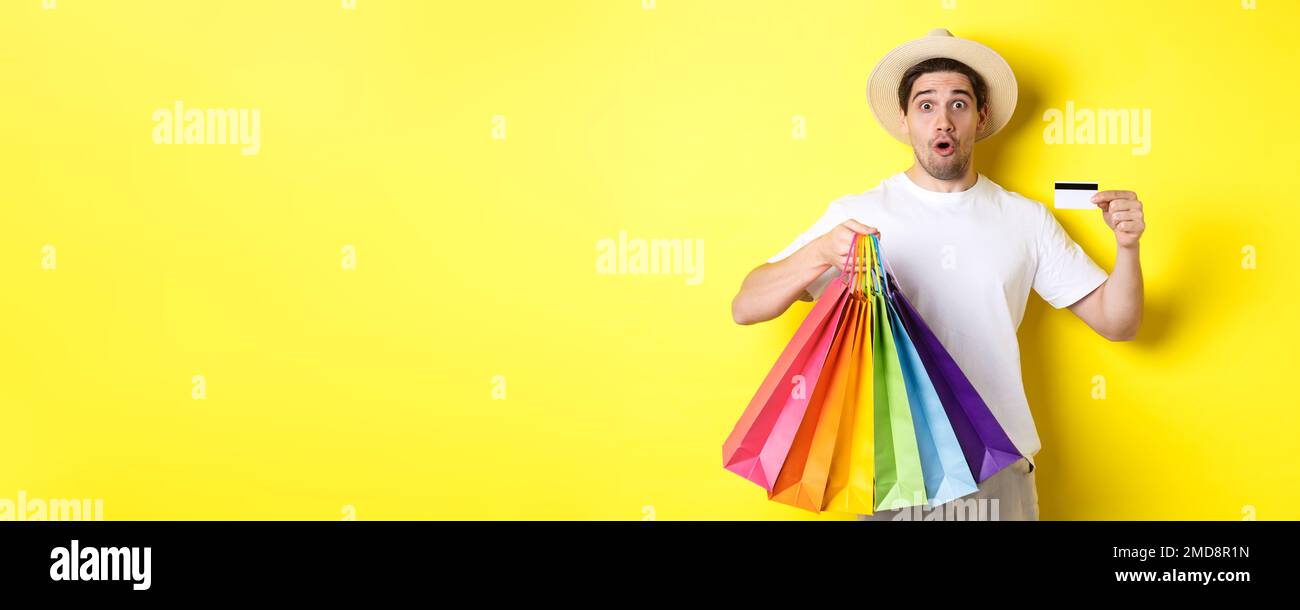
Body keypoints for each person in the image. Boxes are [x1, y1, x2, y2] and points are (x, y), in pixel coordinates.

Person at [730, 28, 1145, 521]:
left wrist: (1128, 248)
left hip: (996, 471)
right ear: (905, 120)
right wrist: (820, 252)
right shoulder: (857, 213)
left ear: (981, 117)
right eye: (925, 106)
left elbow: (1118, 323)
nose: (942, 120)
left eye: (959, 104)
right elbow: (746, 305)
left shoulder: (1024, 219)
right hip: (894, 472)